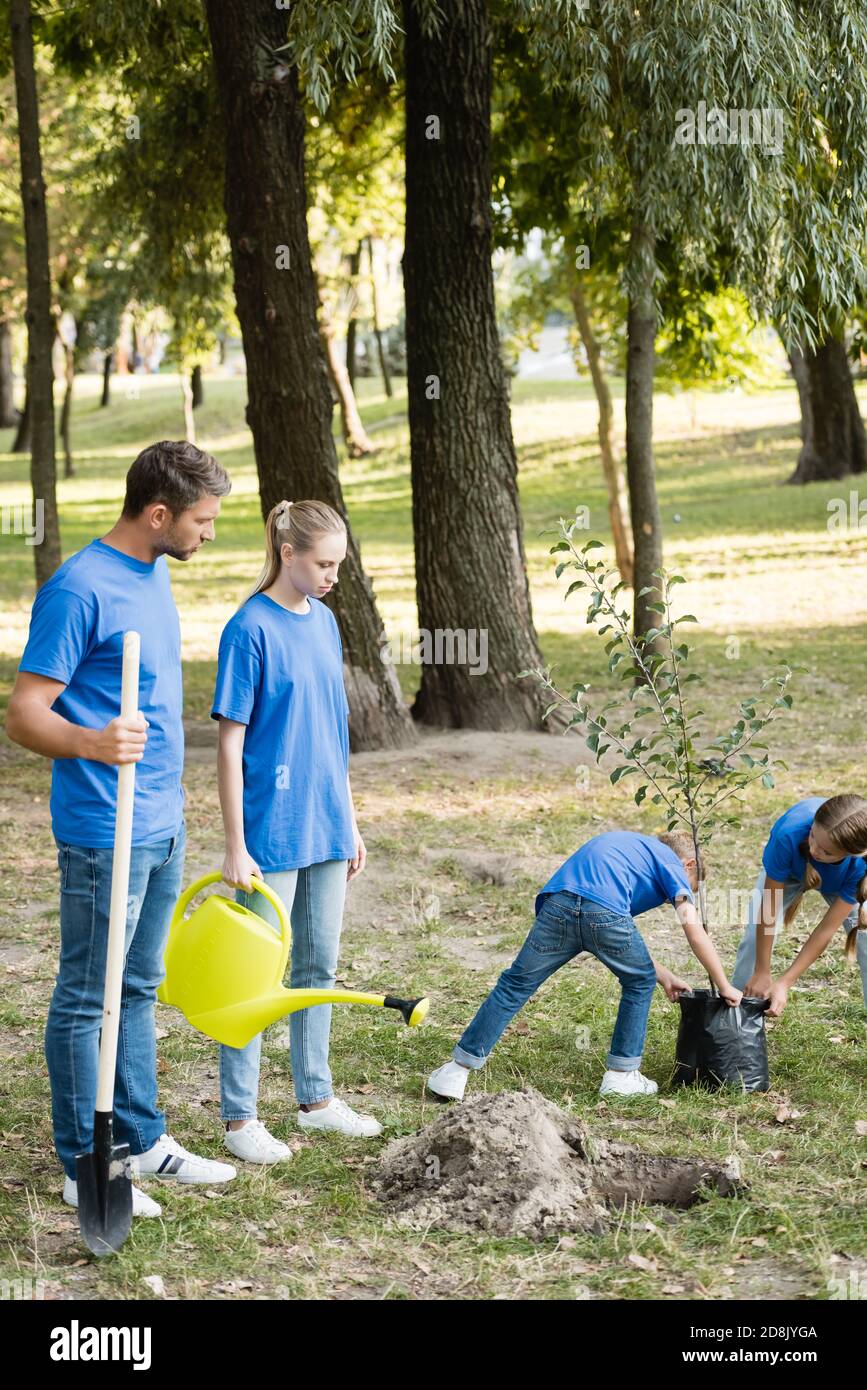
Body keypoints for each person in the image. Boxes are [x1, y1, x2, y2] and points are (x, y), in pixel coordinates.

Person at [6, 441, 237, 1216]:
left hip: (160, 822)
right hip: (105, 830)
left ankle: (142, 1136)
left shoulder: (153, 570)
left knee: (136, 985)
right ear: (160, 513)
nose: (209, 533)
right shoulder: (80, 590)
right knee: (86, 995)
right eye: (202, 520)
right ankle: (87, 1162)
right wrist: (89, 742)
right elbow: (25, 712)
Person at [211, 498, 375, 1166]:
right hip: (268, 832)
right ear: (287, 552)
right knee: (255, 970)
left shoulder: (328, 622)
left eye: (339, 563)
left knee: (317, 966)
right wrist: (234, 843)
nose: (333, 575)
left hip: (326, 824)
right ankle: (238, 1116)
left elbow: (329, 733)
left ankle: (316, 1100)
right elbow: (228, 743)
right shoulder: (247, 628)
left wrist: (350, 821)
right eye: (323, 562)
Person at [427, 829, 742, 1101]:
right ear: (689, 865)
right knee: (639, 982)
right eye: (691, 885)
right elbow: (693, 930)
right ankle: (621, 1076)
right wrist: (724, 984)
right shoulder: (672, 863)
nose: (673, 897)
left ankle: (455, 1072)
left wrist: (664, 976)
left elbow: (602, 933)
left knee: (514, 985)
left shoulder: (629, 852)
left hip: (559, 903)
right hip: (602, 910)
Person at [732, 794, 867, 1016]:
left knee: (866, 938)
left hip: (842, 880)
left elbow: (825, 930)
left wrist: (785, 982)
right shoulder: (790, 834)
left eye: (826, 851)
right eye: (813, 836)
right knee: (754, 936)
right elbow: (769, 909)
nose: (814, 850)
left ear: (853, 853)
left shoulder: (859, 866)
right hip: (791, 870)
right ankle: (737, 1011)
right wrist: (762, 971)